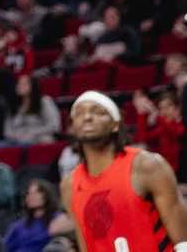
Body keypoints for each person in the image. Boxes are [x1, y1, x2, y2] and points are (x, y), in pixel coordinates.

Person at [64, 91, 187, 252]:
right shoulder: (69, 185)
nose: (87, 117)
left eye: (98, 112)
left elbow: (183, 240)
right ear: (73, 127)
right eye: (79, 113)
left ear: (115, 124)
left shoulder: (147, 165)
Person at [2, 179, 63, 252]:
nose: (31, 196)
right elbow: (5, 248)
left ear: (46, 195)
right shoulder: (18, 226)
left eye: (36, 193)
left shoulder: (59, 219)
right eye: (28, 193)